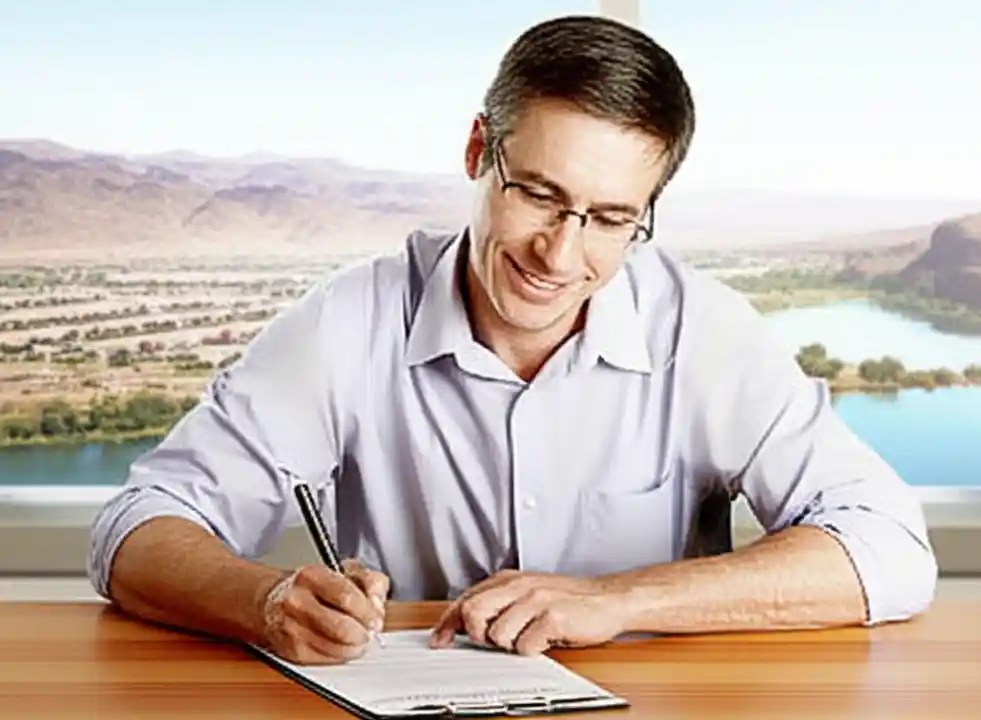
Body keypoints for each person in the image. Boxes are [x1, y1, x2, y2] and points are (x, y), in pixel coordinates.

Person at [87, 15, 936, 665]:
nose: (560, 254)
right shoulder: (349, 322)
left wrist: (616, 600)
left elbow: (889, 546)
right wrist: (268, 600)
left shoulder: (702, 330)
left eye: (609, 219)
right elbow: (136, 529)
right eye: (537, 194)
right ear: (475, 151)